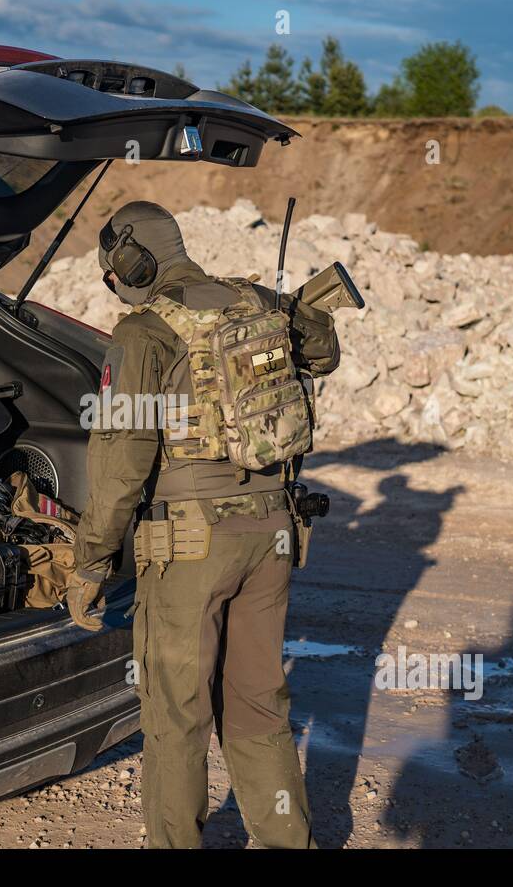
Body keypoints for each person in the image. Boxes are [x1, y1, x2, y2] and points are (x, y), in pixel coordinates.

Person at [66, 200, 341, 848]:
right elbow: (322, 354)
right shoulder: (257, 302)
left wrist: (89, 562)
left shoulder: (144, 333)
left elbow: (120, 464)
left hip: (192, 548)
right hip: (272, 534)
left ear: (132, 261)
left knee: (175, 717)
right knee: (258, 706)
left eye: (114, 270)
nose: (115, 282)